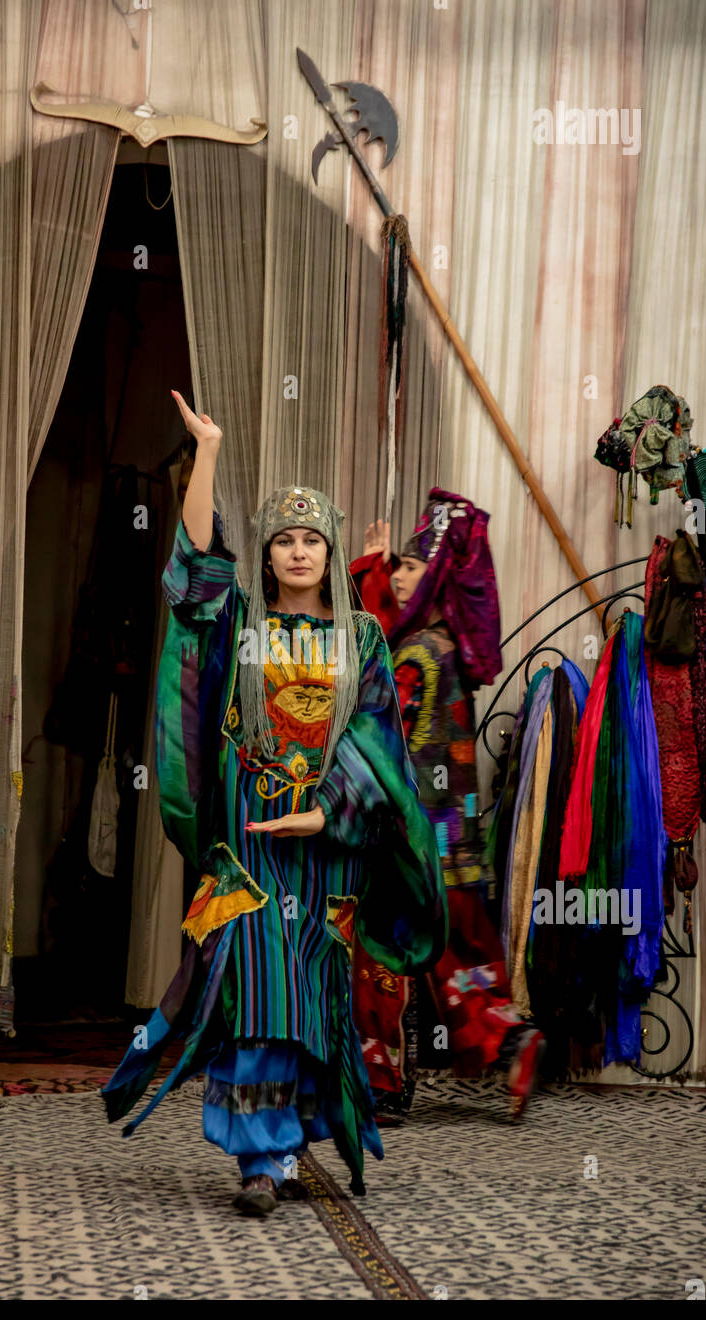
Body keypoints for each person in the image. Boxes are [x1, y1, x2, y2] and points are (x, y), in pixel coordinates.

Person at [102, 393, 448, 1214]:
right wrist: (210, 453)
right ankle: (261, 1163)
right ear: (266, 555)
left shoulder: (359, 639)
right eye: (284, 540)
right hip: (251, 839)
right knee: (257, 996)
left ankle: (288, 1144)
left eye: (312, 539)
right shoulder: (238, 621)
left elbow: (377, 745)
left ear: (330, 553)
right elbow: (191, 566)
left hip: (325, 841)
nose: (298, 551)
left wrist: (328, 812)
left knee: (308, 1001)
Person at [349, 489, 546, 1122]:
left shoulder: (412, 655)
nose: (398, 583)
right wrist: (375, 574)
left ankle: (383, 1083)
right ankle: (513, 1037)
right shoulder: (447, 649)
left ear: (431, 579)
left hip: (410, 840)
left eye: (406, 572)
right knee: (458, 957)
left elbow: (383, 729)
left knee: (382, 953)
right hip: (455, 844)